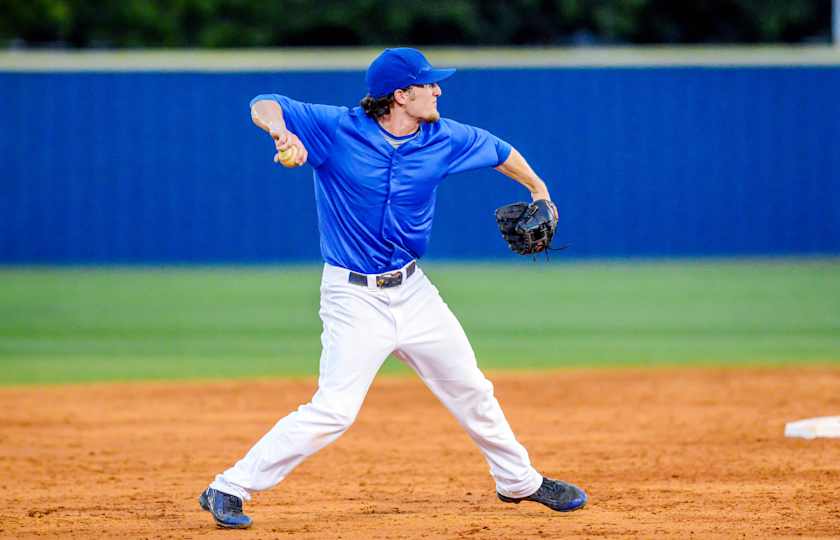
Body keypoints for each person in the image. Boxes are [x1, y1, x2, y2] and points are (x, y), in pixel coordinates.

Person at [198, 47, 587, 529]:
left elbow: (500, 151)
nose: (438, 90)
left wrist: (540, 191)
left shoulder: (443, 137)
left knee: (470, 388)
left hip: (414, 291)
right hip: (353, 296)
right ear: (400, 95)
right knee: (335, 410)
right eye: (428, 84)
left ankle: (518, 481)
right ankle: (229, 486)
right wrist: (281, 133)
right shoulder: (335, 129)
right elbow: (263, 102)